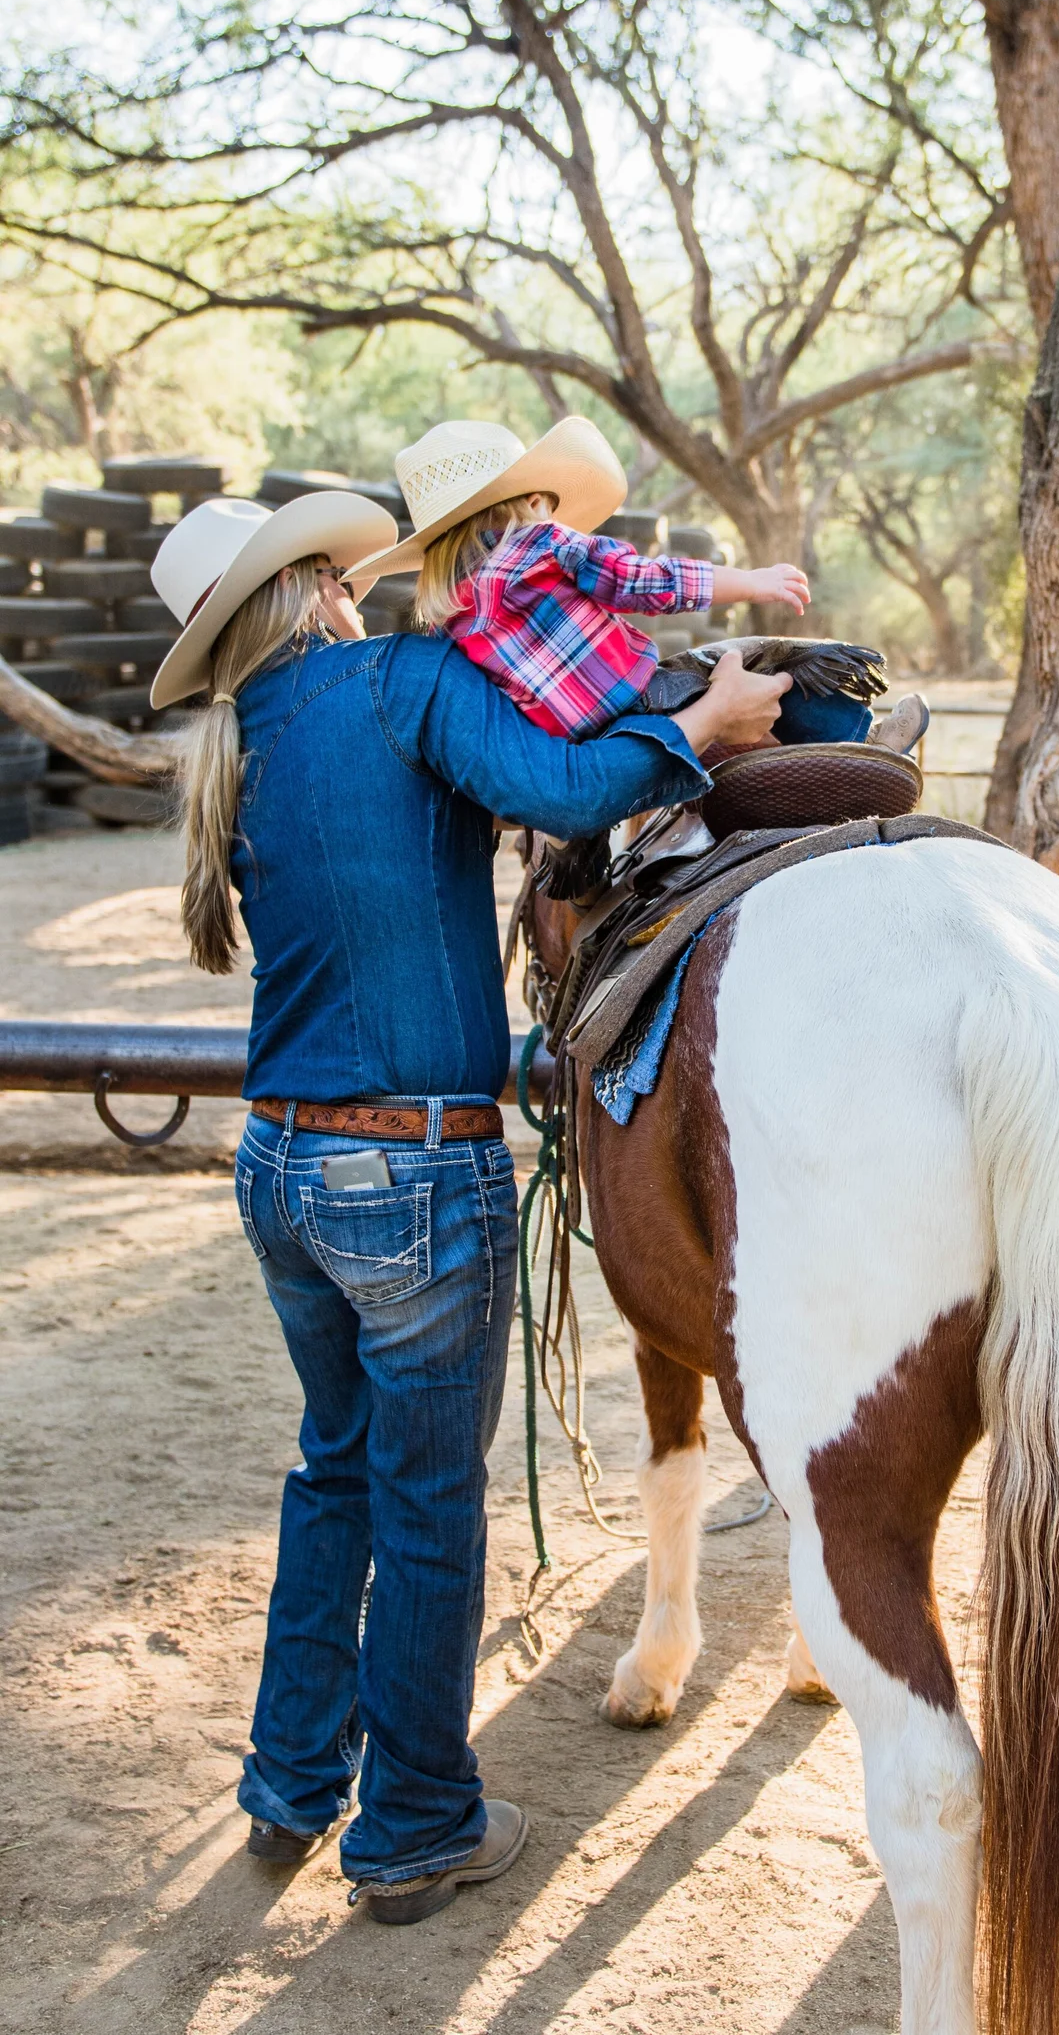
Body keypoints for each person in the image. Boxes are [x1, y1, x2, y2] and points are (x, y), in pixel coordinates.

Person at [149, 489, 788, 1924]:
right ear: (319, 588)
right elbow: (566, 796)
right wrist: (709, 724)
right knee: (431, 1500)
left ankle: (291, 1778)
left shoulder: (238, 749)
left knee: (336, 1469)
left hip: (281, 1167)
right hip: (416, 1168)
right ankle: (418, 1823)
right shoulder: (400, 680)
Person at [352, 416, 927, 751]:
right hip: (634, 696)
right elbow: (648, 582)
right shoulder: (546, 544)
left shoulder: (450, 606)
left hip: (577, 742)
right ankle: (859, 740)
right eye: (549, 507)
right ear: (530, 502)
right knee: (751, 670)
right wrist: (751, 581)